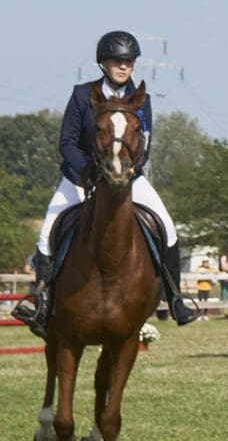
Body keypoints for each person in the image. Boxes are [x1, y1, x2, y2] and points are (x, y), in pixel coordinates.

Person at [17, 30, 195, 336]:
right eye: (117, 61)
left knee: (168, 228)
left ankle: (175, 298)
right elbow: (67, 141)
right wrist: (87, 170)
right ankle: (40, 298)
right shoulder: (82, 95)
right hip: (81, 177)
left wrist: (126, 170)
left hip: (127, 177)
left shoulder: (142, 101)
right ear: (103, 63)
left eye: (129, 61)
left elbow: (145, 143)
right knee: (47, 231)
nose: (124, 66)